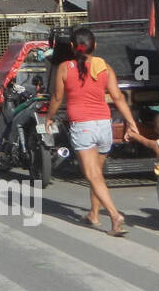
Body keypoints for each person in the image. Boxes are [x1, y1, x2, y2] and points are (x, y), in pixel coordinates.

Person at [45, 27, 140, 237]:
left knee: (93, 175)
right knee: (96, 174)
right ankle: (94, 214)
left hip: (83, 126)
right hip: (104, 125)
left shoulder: (64, 67)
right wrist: (131, 121)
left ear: (72, 47)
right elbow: (117, 97)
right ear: (94, 46)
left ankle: (115, 216)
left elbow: (57, 98)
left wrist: (49, 117)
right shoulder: (104, 66)